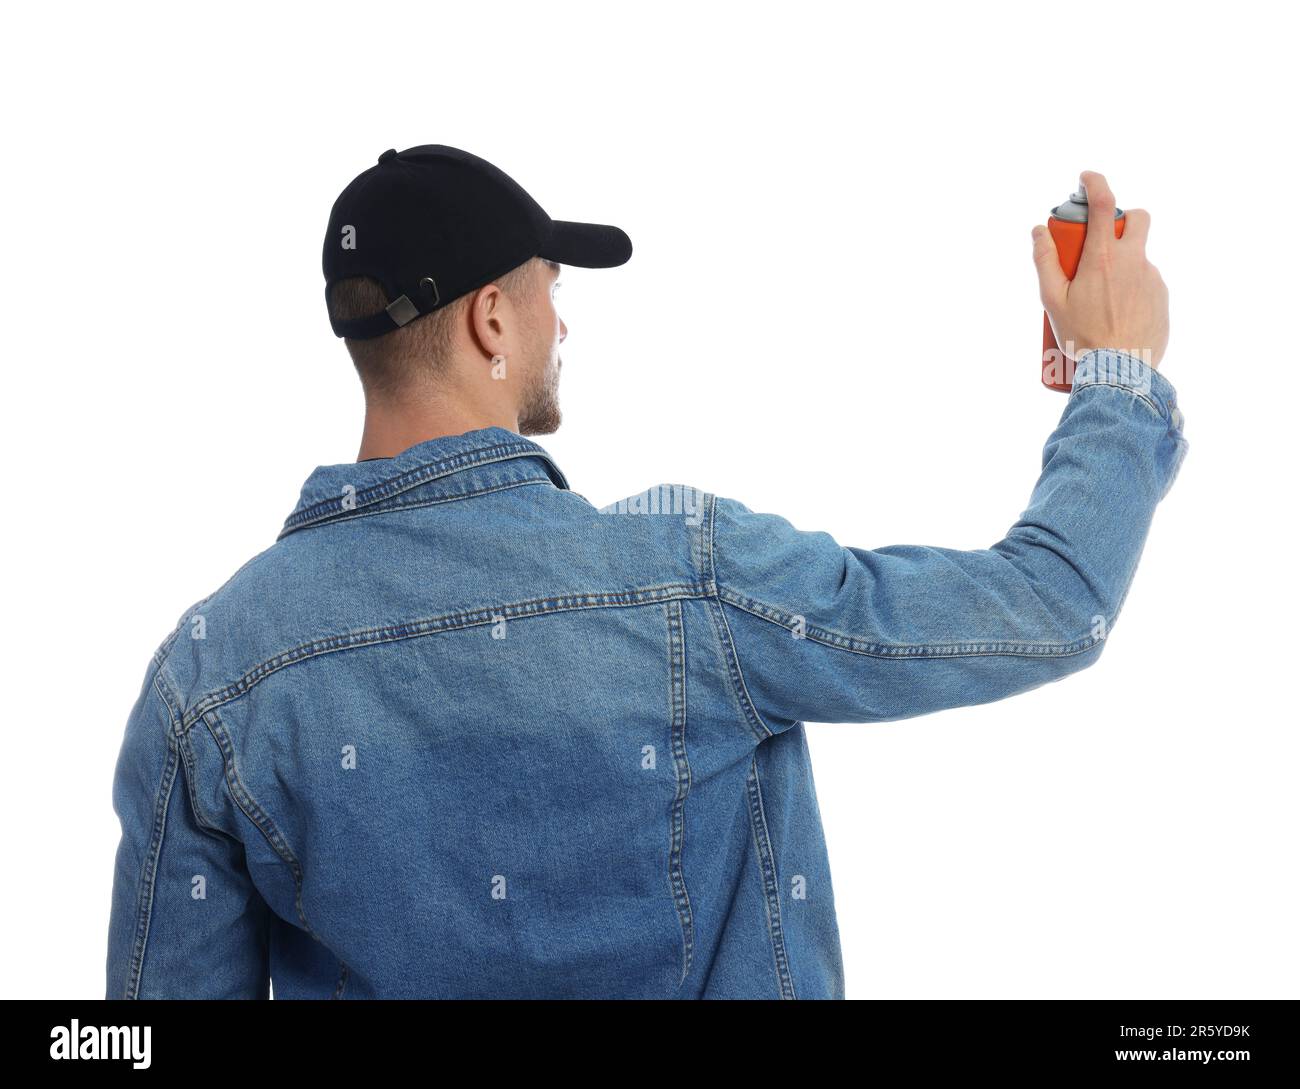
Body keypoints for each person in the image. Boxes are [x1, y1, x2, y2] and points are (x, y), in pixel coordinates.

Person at [106, 147, 1185, 999]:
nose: (560, 323)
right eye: (548, 292)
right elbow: (1050, 605)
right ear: (490, 317)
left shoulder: (205, 677)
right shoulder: (691, 577)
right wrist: (1116, 369)